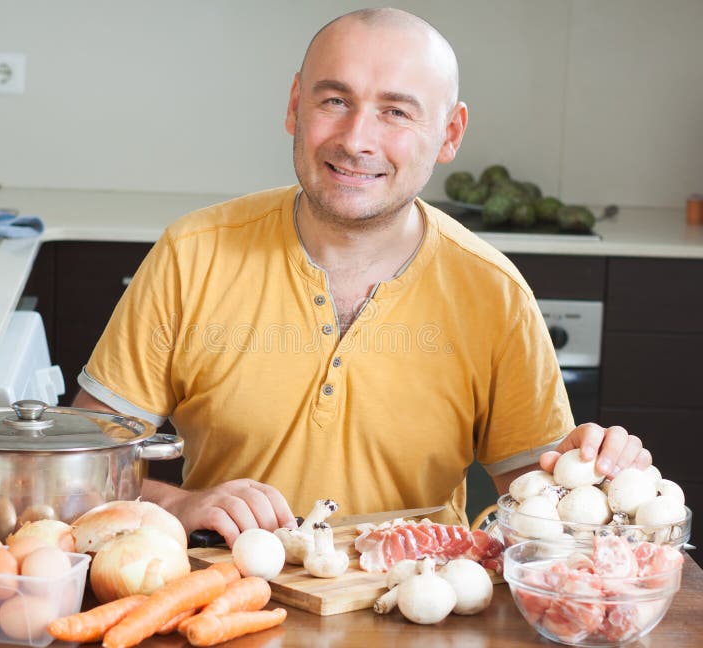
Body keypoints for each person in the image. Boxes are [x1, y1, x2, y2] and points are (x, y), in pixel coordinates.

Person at [73, 8, 650, 546]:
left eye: (396, 111)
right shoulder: (192, 255)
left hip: (422, 605)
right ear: (296, 102)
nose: (355, 140)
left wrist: (600, 476)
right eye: (333, 100)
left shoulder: (494, 294)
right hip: (223, 598)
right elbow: (72, 475)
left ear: (450, 133)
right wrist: (177, 506)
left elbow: (546, 516)